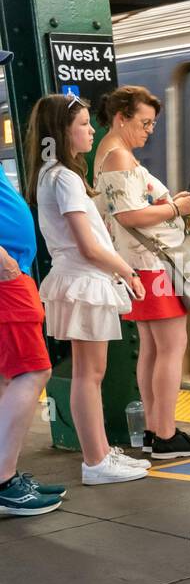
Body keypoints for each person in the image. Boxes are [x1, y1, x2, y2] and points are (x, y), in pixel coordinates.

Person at [24, 94, 149, 486]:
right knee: (89, 374)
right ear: (63, 130)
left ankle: (98, 454)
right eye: (83, 125)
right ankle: (96, 461)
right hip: (85, 281)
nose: (92, 130)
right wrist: (127, 271)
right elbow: (89, 245)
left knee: (87, 373)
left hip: (76, 280)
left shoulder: (51, 174)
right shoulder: (63, 177)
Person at [94, 85, 190, 460]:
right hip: (150, 266)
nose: (149, 130)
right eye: (144, 123)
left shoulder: (109, 155)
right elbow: (130, 216)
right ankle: (165, 433)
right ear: (120, 117)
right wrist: (176, 209)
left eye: (152, 125)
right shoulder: (119, 158)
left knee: (152, 347)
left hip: (138, 266)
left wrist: (169, 203)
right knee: (173, 347)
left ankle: (151, 430)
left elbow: (130, 209)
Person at [0, 62, 66, 514]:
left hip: (10, 272)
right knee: (32, 371)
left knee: (9, 374)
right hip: (6, 278)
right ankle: (2, 481)